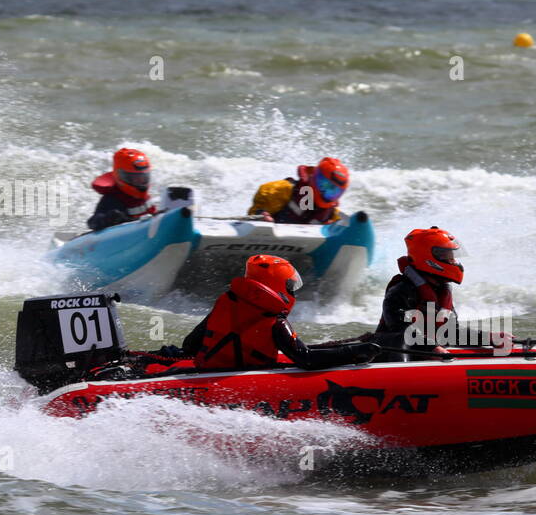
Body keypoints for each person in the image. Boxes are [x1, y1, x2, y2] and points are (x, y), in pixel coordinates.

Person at [178, 255, 376, 371]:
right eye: (289, 286)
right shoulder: (275, 321)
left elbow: (190, 345)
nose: (291, 291)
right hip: (246, 380)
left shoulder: (225, 303)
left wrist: (349, 343)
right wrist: (354, 353)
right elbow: (306, 359)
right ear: (276, 285)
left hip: (208, 371)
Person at [372, 226, 465, 361]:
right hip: (391, 353)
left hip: (426, 351)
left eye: (453, 257)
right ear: (427, 258)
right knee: (399, 338)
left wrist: (490, 337)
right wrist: (433, 349)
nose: (453, 261)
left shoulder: (440, 292)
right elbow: (402, 331)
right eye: (447, 256)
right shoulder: (401, 290)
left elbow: (453, 333)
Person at [248, 157, 353, 225]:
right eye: (324, 186)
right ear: (314, 177)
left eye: (333, 192)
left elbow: (345, 224)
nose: (326, 193)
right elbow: (254, 212)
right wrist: (261, 215)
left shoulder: (332, 212)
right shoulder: (284, 189)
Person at [88, 147, 156, 231]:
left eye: (144, 177)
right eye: (136, 178)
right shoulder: (112, 199)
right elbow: (92, 222)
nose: (141, 182)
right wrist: (108, 218)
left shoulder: (144, 196)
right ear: (121, 176)